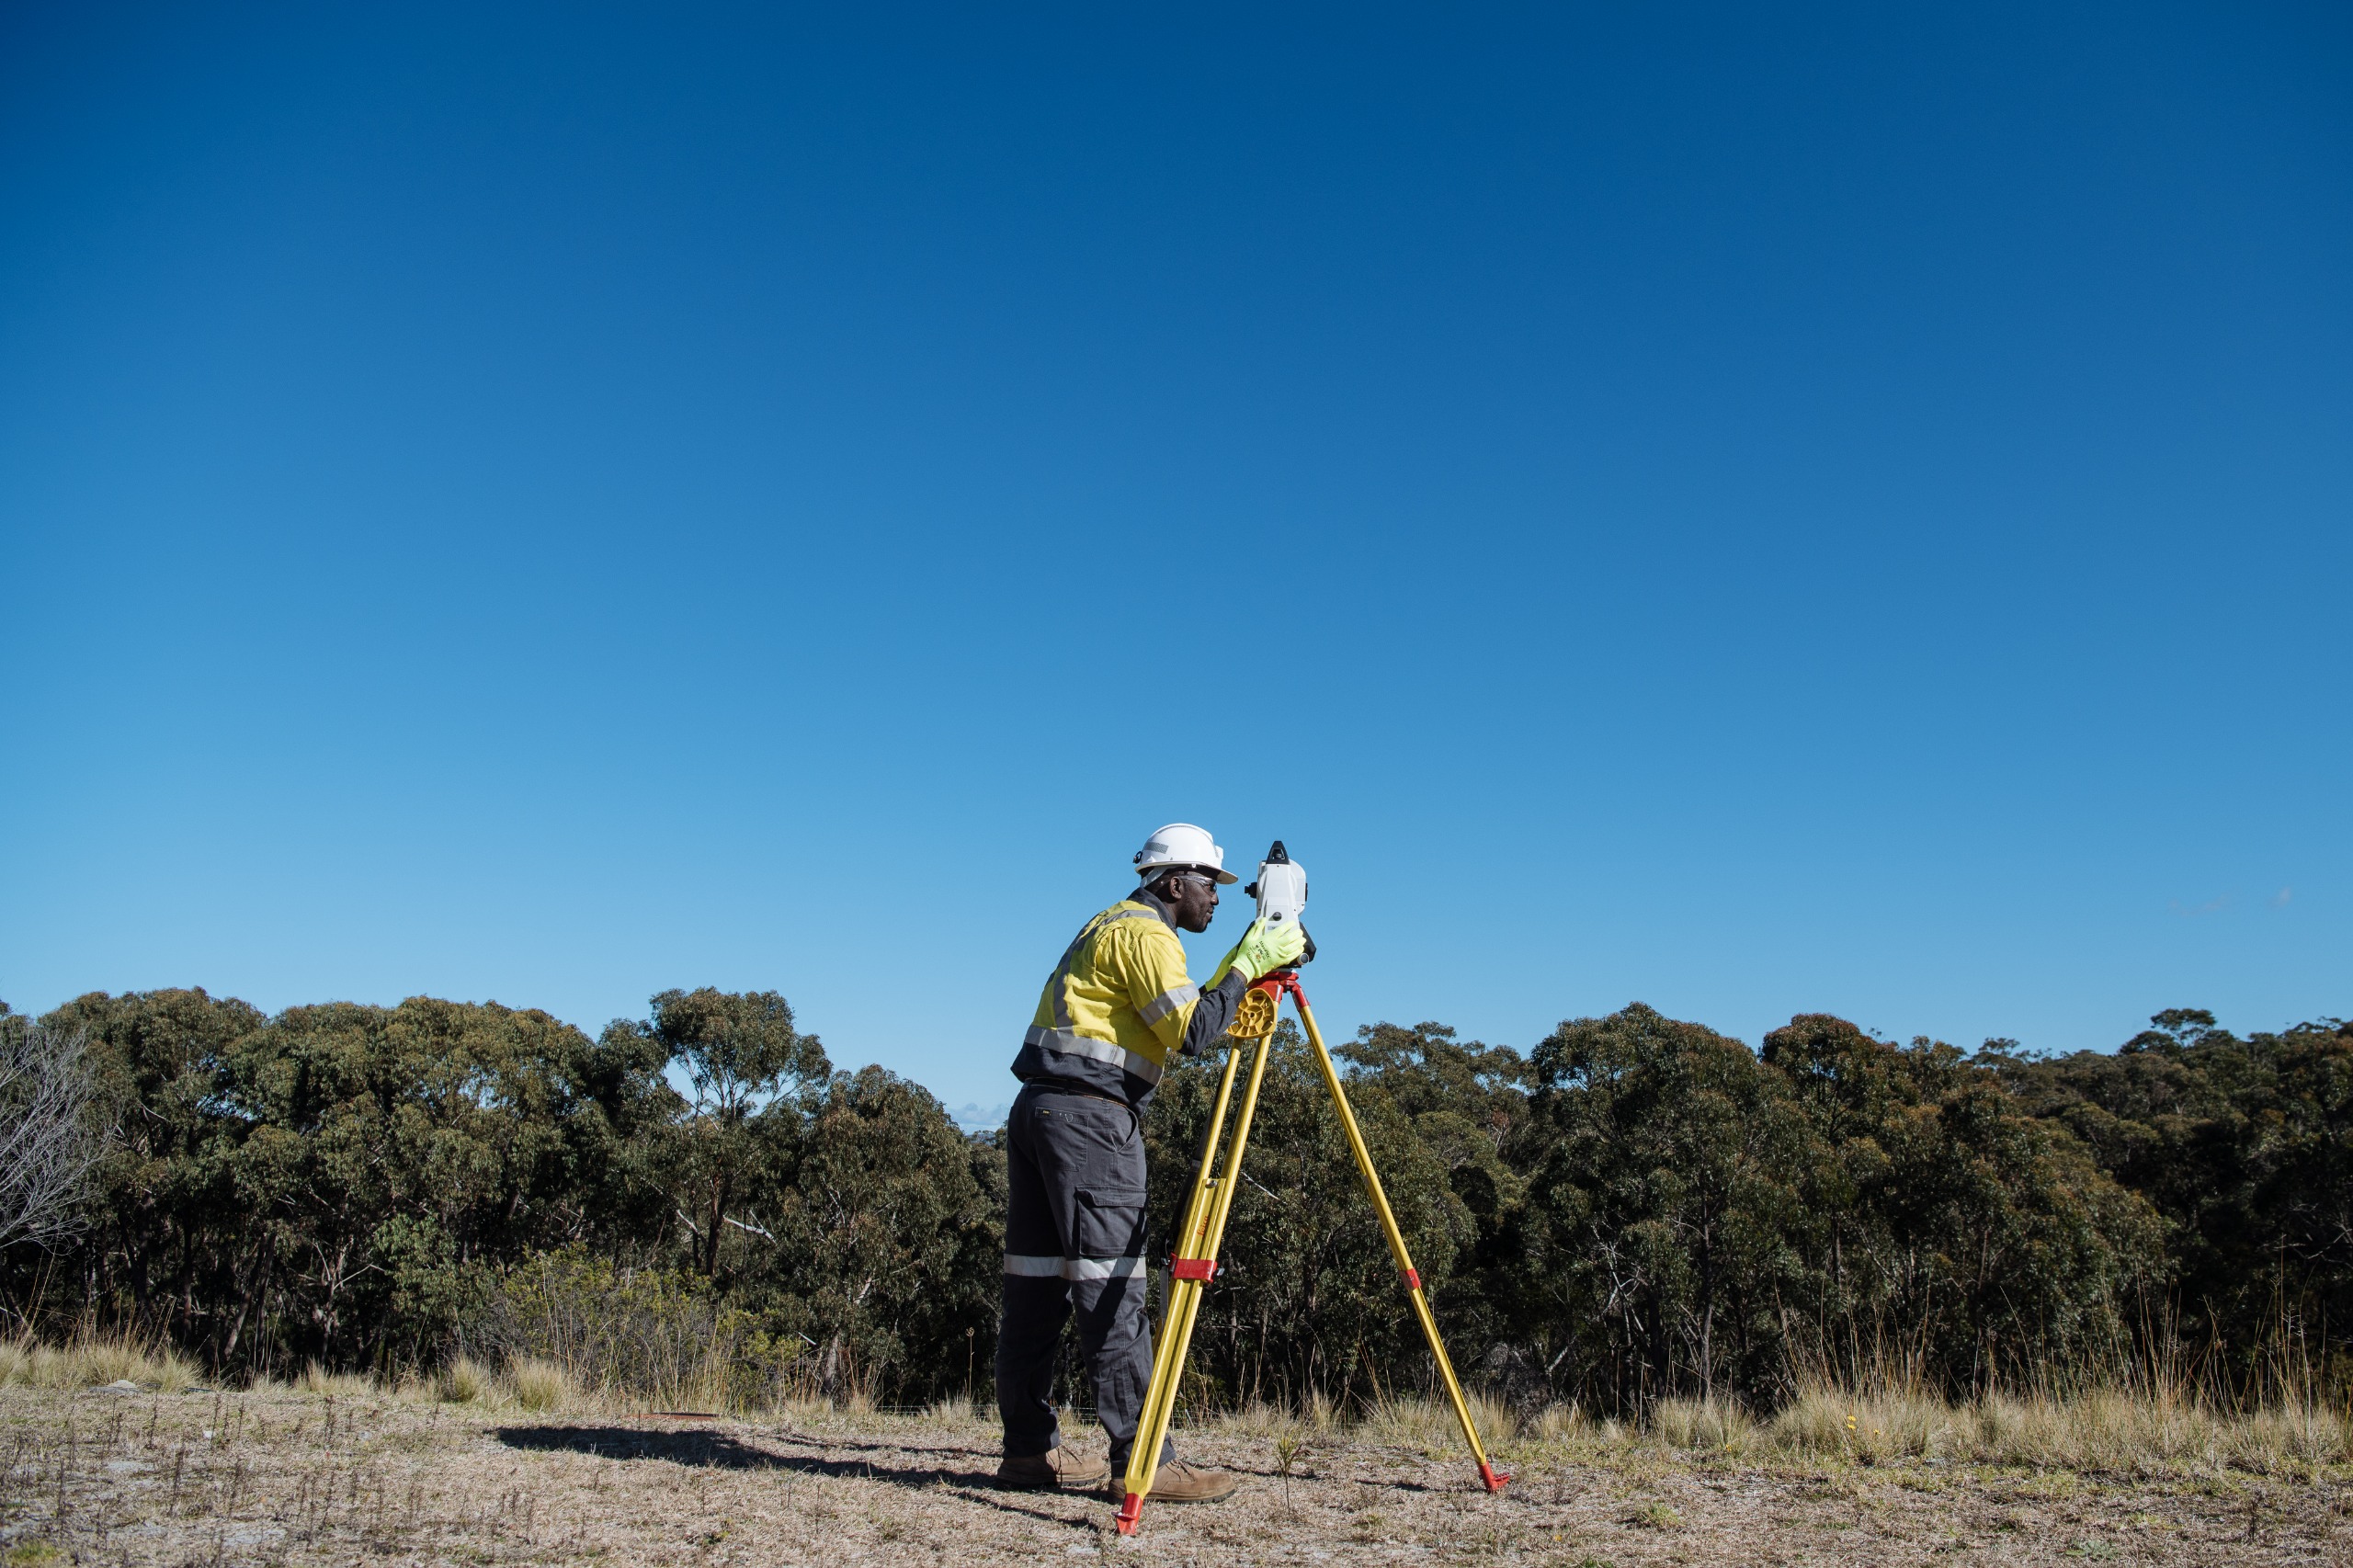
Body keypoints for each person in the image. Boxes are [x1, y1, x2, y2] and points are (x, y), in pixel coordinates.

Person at [995, 824, 1307, 1502]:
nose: (1218, 899)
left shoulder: (1108, 924)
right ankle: (1143, 1461)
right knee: (1113, 1288)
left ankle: (1028, 1452)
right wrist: (1250, 963)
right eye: (1209, 885)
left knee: (1036, 1285)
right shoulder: (1147, 935)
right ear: (1174, 882)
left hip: (1041, 1111)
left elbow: (1182, 1018)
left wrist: (1238, 974)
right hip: (1090, 1122)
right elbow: (1194, 1032)